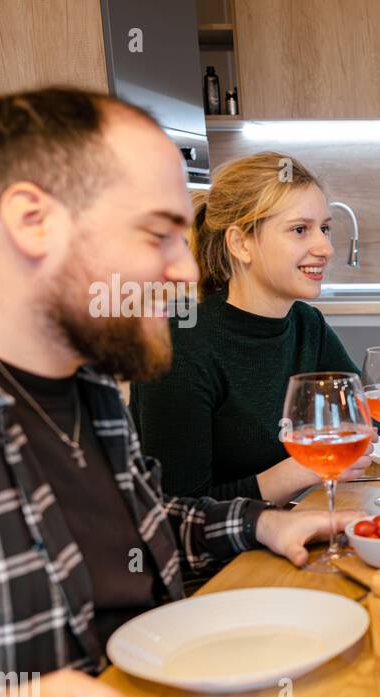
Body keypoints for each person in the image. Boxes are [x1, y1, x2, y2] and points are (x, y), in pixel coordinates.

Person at [0, 87, 359, 697]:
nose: (187, 271)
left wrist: (257, 520)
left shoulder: (92, 380)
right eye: (156, 233)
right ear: (32, 221)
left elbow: (151, 527)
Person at [130, 151, 364, 502]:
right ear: (240, 243)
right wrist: (300, 469)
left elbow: (365, 422)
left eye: (325, 228)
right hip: (220, 556)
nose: (326, 247)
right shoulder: (180, 346)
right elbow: (177, 512)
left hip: (288, 529)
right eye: (300, 230)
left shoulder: (306, 325)